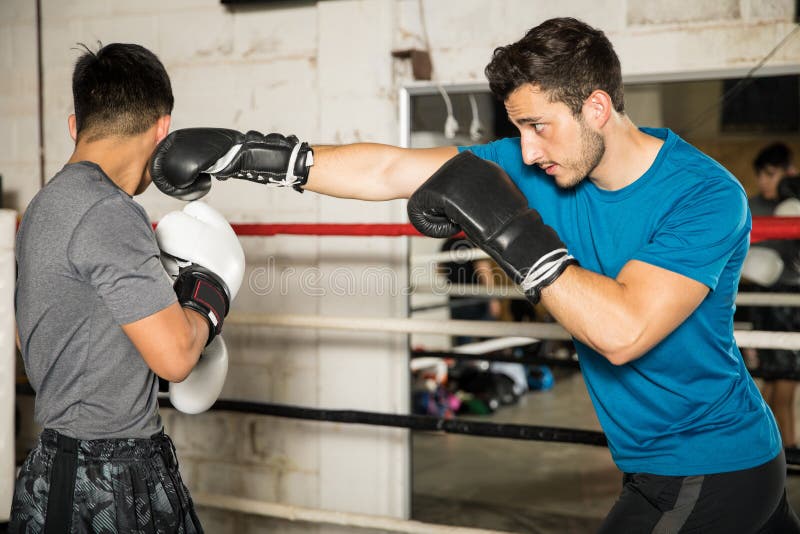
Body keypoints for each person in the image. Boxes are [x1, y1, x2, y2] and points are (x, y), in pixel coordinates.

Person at [148, 17, 800, 534]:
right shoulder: (537, 162)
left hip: (712, 465)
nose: (529, 151)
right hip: (664, 462)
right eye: (518, 129)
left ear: (597, 107)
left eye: (539, 126)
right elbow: (389, 169)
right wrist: (255, 155)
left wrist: (509, 229)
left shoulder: (704, 195)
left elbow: (624, 330)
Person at [11, 43, 243, 533]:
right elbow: (176, 359)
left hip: (54, 468)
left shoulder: (42, 207)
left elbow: (28, 336)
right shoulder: (108, 211)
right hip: (107, 479)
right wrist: (209, 296)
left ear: (75, 125)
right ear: (163, 130)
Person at [745, 142, 800, 447]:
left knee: (785, 384)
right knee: (770, 381)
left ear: (788, 172)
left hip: (791, 301)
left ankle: (787, 452)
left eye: (771, 174)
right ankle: (769, 452)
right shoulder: (749, 206)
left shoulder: (795, 203)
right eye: (761, 175)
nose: (764, 181)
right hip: (761, 301)